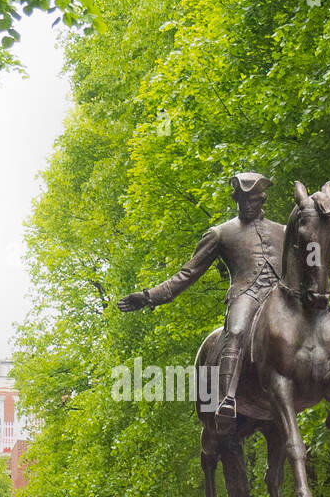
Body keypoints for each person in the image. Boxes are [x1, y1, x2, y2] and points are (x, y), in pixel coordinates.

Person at [118, 172, 283, 434]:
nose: (248, 205)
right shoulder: (221, 233)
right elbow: (187, 274)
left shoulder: (283, 231)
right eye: (242, 200)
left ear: (262, 199)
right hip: (246, 296)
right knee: (237, 331)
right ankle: (227, 399)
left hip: (281, 300)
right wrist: (150, 296)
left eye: (252, 199)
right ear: (235, 199)